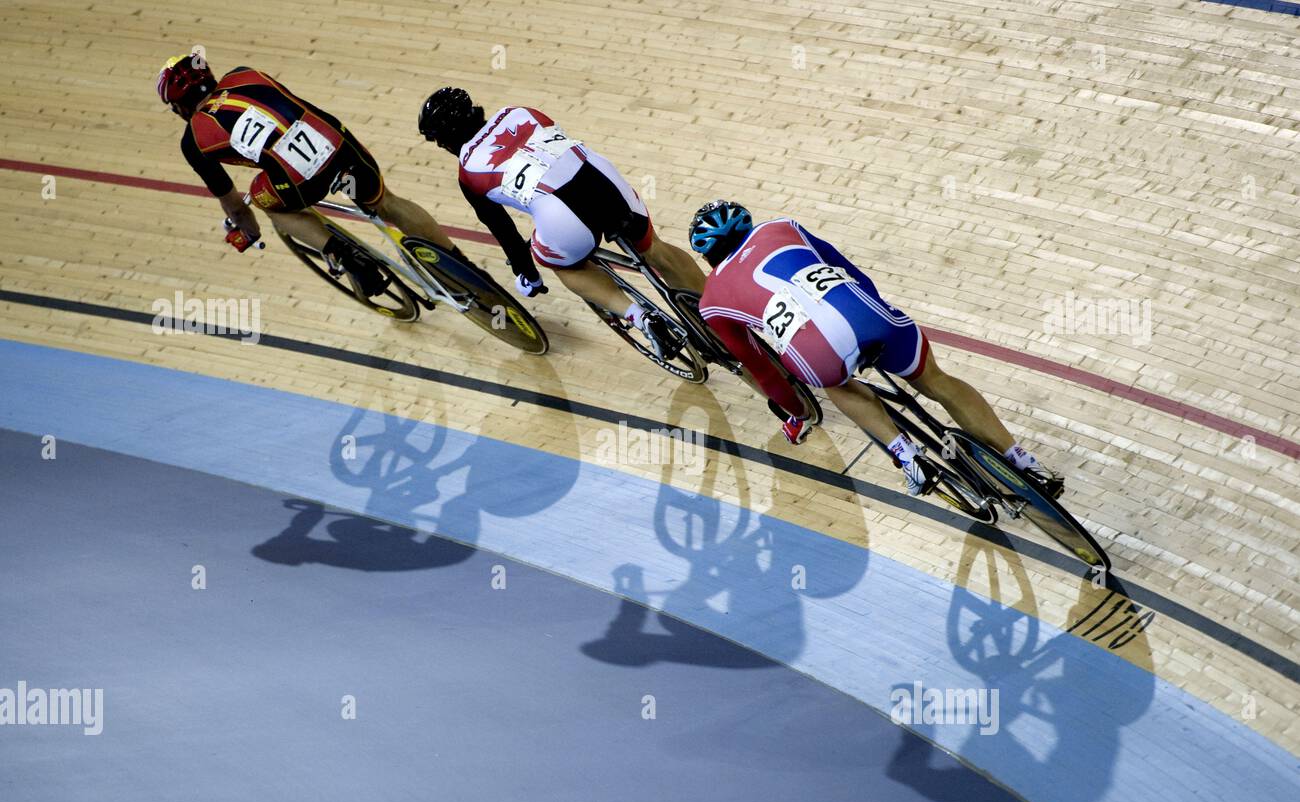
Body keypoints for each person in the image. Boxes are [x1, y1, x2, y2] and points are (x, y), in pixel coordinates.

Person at [690, 201, 1059, 496]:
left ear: (708, 258)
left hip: (820, 354)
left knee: (839, 385)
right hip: (871, 317)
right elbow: (853, 271)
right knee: (937, 381)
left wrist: (795, 410)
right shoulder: (783, 227)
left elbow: (763, 370)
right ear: (748, 224)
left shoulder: (711, 301)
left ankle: (908, 456)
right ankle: (1023, 459)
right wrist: (876, 315)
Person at [417, 87, 706, 359]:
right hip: (604, 182)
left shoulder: (468, 171)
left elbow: (504, 231)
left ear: (444, 142)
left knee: (558, 262)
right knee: (655, 249)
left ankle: (640, 317)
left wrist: (527, 272)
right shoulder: (519, 111)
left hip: (564, 219)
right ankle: (712, 308)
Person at [157, 52, 456, 294]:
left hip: (300, 180)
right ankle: (466, 269)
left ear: (180, 107)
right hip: (338, 144)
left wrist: (247, 229)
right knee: (386, 203)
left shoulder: (193, 141)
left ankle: (346, 256)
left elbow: (234, 204)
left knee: (263, 202)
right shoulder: (244, 72)